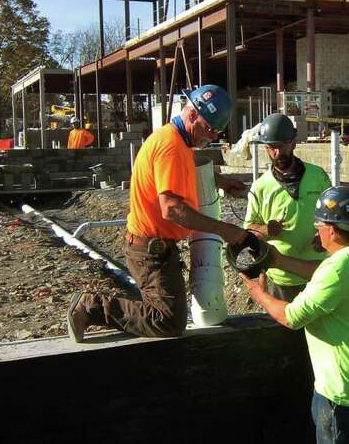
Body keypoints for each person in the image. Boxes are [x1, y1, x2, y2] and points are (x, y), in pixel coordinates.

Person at [66, 85, 250, 340]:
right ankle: (91, 307)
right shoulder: (170, 147)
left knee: (169, 315)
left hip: (155, 245)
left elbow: (182, 174)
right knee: (167, 320)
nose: (211, 136)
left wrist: (217, 181)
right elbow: (172, 209)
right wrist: (224, 229)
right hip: (149, 249)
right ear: (192, 114)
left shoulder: (178, 141)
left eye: (217, 131)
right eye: (209, 129)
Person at [241, 186, 349, 444]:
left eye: (319, 226)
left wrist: (258, 294)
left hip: (339, 392)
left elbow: (291, 317)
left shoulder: (339, 270)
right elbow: (325, 272)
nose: (317, 231)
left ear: (331, 229)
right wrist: (279, 261)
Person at [244, 113, 332, 302]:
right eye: (271, 148)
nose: (277, 153)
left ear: (293, 143)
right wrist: (265, 229)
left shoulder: (318, 176)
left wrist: (324, 236)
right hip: (281, 277)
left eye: (281, 146)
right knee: (285, 328)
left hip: (318, 273)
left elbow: (333, 214)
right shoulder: (260, 186)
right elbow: (249, 228)